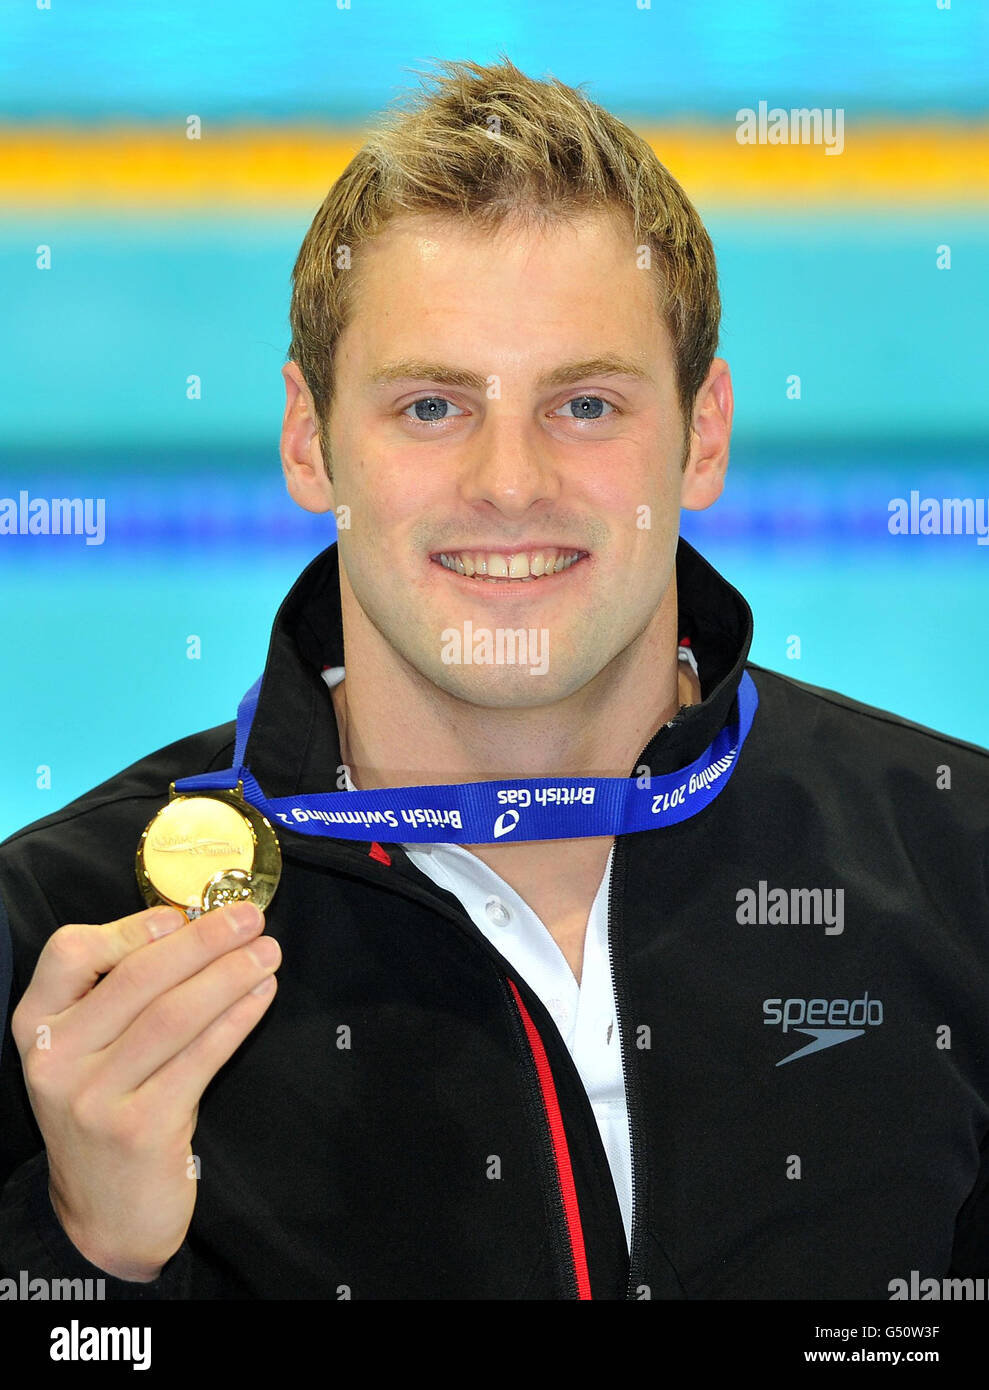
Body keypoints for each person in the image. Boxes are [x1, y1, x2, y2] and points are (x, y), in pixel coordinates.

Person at [1, 55, 987, 1302]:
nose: (508, 482)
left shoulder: (955, 869)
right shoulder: (64, 945)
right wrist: (80, 1257)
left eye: (582, 404)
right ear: (310, 440)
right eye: (429, 407)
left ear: (705, 433)